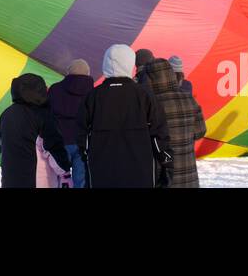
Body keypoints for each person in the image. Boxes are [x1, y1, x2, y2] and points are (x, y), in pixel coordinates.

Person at [76, 44, 171, 188]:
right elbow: (159, 133)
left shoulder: (93, 96)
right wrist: (165, 159)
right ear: (130, 63)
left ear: (105, 63)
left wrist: (86, 154)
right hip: (140, 170)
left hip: (102, 170)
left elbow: (81, 134)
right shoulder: (144, 95)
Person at [0, 73, 72, 188]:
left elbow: (2, 149)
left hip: (10, 180)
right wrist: (65, 171)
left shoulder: (5, 115)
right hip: (37, 181)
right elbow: (53, 148)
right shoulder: (42, 115)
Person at [147, 58, 206, 187]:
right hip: (189, 177)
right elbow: (200, 131)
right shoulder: (188, 97)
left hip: (164, 177)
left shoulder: (152, 103)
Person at [47, 59, 93, 188]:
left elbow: (47, 114)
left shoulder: (55, 89)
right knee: (81, 181)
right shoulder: (93, 93)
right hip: (82, 143)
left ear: (68, 72)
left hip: (60, 141)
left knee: (60, 180)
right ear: (88, 73)